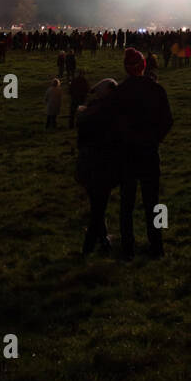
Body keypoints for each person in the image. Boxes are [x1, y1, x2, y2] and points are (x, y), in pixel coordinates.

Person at [108, 48, 173, 260]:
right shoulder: (156, 90)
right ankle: (157, 247)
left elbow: (112, 125)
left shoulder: (119, 92)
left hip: (126, 154)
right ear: (144, 66)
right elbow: (167, 121)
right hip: (149, 152)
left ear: (126, 69)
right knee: (152, 202)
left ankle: (128, 248)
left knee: (126, 203)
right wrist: (155, 139)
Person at [75, 78, 121, 255]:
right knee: (99, 206)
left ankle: (103, 242)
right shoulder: (111, 112)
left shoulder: (90, 112)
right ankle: (89, 246)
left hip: (88, 162)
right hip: (104, 163)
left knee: (97, 204)